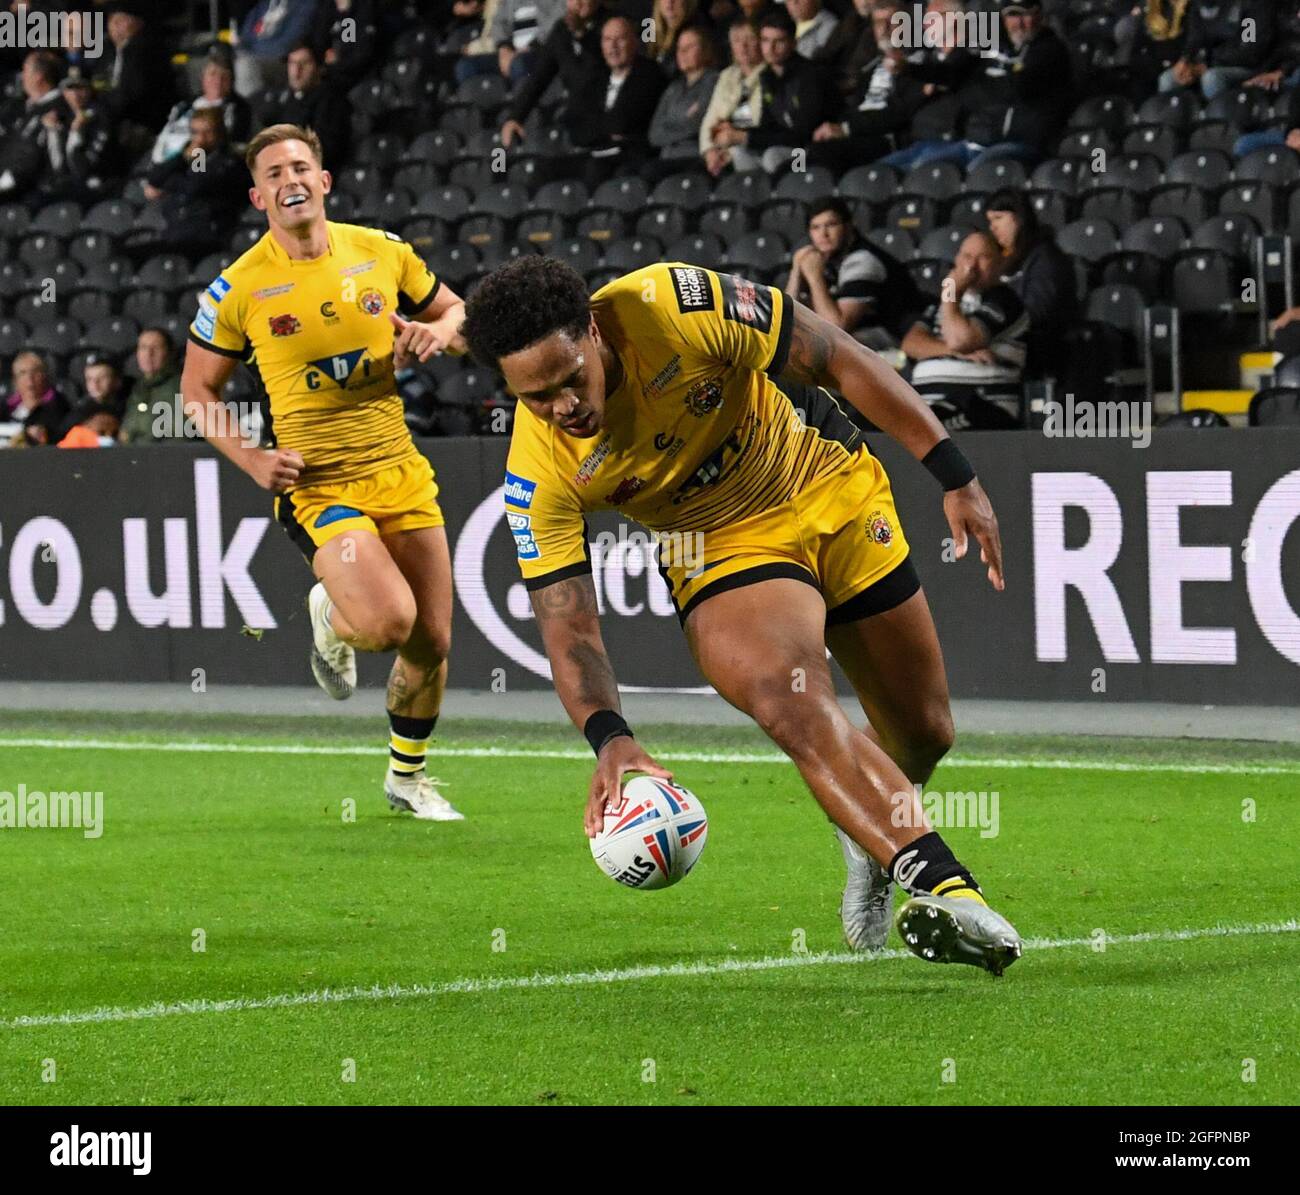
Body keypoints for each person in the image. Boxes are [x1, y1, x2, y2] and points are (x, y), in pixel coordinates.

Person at [460, 255, 1021, 975]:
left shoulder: (675, 304)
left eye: (571, 377)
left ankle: (865, 832)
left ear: (593, 330)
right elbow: (568, 624)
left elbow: (839, 356)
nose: (562, 406)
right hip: (717, 547)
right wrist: (610, 737)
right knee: (790, 699)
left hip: (822, 474)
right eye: (535, 396)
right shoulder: (535, 473)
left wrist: (955, 476)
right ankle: (947, 885)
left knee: (924, 733)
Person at [182, 124, 470, 821]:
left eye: (302, 166)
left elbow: (460, 313)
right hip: (319, 483)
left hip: (400, 467)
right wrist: (252, 457)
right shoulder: (240, 287)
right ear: (259, 196)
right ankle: (330, 615)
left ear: (325, 179)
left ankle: (407, 778)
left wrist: (440, 331)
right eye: (275, 173)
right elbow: (195, 393)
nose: (291, 180)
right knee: (385, 622)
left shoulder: (381, 251)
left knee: (432, 643)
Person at [901, 230, 1028, 430]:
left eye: (983, 258)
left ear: (1000, 264)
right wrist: (953, 352)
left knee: (921, 430)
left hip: (982, 405)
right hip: (929, 406)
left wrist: (951, 292)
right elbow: (911, 344)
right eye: (967, 257)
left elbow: (961, 340)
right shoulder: (940, 304)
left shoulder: (1004, 300)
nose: (971, 266)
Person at [711, 7, 837, 174]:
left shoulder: (810, 75)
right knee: (738, 152)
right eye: (765, 40)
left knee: (772, 156)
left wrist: (744, 137)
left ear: (793, 43)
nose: (770, 48)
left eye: (779, 41)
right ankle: (758, 199)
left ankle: (793, 197)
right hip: (787, 148)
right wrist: (736, 133)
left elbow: (802, 134)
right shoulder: (767, 76)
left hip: (814, 152)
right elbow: (767, 126)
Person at [808, 0, 928, 171]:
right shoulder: (871, 67)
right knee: (792, 163)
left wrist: (846, 128)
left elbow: (899, 112)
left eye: (892, 22)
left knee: (820, 154)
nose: (884, 29)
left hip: (884, 139)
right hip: (856, 133)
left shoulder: (919, 64)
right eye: (879, 23)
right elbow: (855, 106)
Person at [784, 196, 919, 349]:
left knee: (827, 346)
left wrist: (814, 277)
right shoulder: (822, 258)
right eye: (816, 227)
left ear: (849, 226)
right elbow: (786, 318)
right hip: (858, 335)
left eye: (831, 225)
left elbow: (836, 328)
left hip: (892, 337)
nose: (823, 234)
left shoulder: (864, 260)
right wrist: (796, 270)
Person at [984, 188, 1077, 379]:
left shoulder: (1046, 257)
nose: (992, 228)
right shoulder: (1005, 259)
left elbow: (1040, 311)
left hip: (1040, 351)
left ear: (1019, 217)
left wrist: (994, 325)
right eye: (990, 221)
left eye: (998, 218)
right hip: (1010, 342)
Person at [566, 14, 667, 188]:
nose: (612, 46)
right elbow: (574, 125)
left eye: (620, 39)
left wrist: (595, 127)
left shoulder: (648, 73)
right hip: (596, 153)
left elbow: (622, 122)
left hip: (631, 156)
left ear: (634, 42)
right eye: (607, 40)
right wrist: (605, 131)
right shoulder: (597, 77)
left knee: (594, 171)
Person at [137, 108, 246, 259]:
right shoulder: (195, 155)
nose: (200, 138)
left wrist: (170, 185)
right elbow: (155, 179)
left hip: (208, 235)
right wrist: (182, 157)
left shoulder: (228, 160)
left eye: (207, 132)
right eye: (195, 132)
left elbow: (195, 185)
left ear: (219, 133)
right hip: (178, 232)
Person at [499, 0, 606, 150]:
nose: (578, 3)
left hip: (605, 119)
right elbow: (539, 77)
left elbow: (590, 75)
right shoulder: (562, 29)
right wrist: (515, 117)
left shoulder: (613, 26)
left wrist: (581, 35)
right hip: (576, 121)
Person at [1158, 0, 1277, 99]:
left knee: (1211, 78)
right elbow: (1195, 37)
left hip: (1247, 66)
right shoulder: (1201, 4)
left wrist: (1208, 65)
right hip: (1210, 63)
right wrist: (1185, 60)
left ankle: (1219, 124)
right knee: (1168, 79)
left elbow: (1250, 51)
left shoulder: (1252, 4)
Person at [151, 49, 252, 165]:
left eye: (224, 76)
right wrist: (157, 163)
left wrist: (177, 165)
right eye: (213, 74)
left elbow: (224, 147)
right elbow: (164, 136)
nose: (218, 81)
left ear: (231, 81)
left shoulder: (238, 110)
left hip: (196, 166)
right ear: (203, 77)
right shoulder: (184, 106)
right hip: (162, 163)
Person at [646, 24, 720, 179]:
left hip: (696, 157)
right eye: (679, 48)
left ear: (706, 50)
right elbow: (654, 134)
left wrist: (672, 127)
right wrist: (685, 122)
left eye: (690, 47)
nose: (682, 52)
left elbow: (698, 124)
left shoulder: (714, 81)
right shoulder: (673, 88)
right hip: (667, 157)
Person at [260, 42, 350, 168]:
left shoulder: (330, 101)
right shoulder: (284, 97)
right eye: (292, 63)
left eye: (305, 63)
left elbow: (324, 151)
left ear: (319, 68)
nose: (297, 70)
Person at [698, 15, 766, 176]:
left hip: (754, 147)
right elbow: (710, 119)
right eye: (736, 40)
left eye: (750, 39)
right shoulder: (727, 75)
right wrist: (709, 151)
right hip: (721, 147)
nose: (743, 46)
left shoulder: (769, 73)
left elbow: (759, 119)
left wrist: (732, 131)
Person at [120, 327, 184, 444]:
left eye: (156, 348)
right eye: (143, 348)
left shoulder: (179, 386)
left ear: (170, 353)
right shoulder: (137, 387)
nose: (148, 354)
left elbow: (180, 435)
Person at [5, 351, 70, 447]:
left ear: (44, 376)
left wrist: (46, 434)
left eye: (35, 372)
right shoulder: (6, 407)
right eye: (23, 373)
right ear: (15, 380)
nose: (29, 379)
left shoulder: (58, 404)